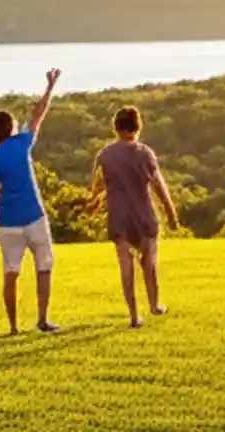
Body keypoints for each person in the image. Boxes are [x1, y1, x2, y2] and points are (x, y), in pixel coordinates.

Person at [0, 68, 62, 335]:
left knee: (11, 273)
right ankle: (42, 319)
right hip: (34, 217)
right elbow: (38, 115)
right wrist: (49, 87)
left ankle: (13, 327)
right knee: (44, 267)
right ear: (11, 128)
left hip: (8, 223)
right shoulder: (22, 143)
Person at [89, 105, 179, 328]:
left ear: (115, 128)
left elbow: (98, 185)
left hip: (119, 215)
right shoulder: (144, 152)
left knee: (125, 264)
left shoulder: (105, 155)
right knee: (149, 261)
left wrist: (94, 201)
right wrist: (170, 211)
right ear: (138, 127)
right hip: (143, 213)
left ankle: (133, 315)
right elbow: (158, 184)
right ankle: (155, 304)